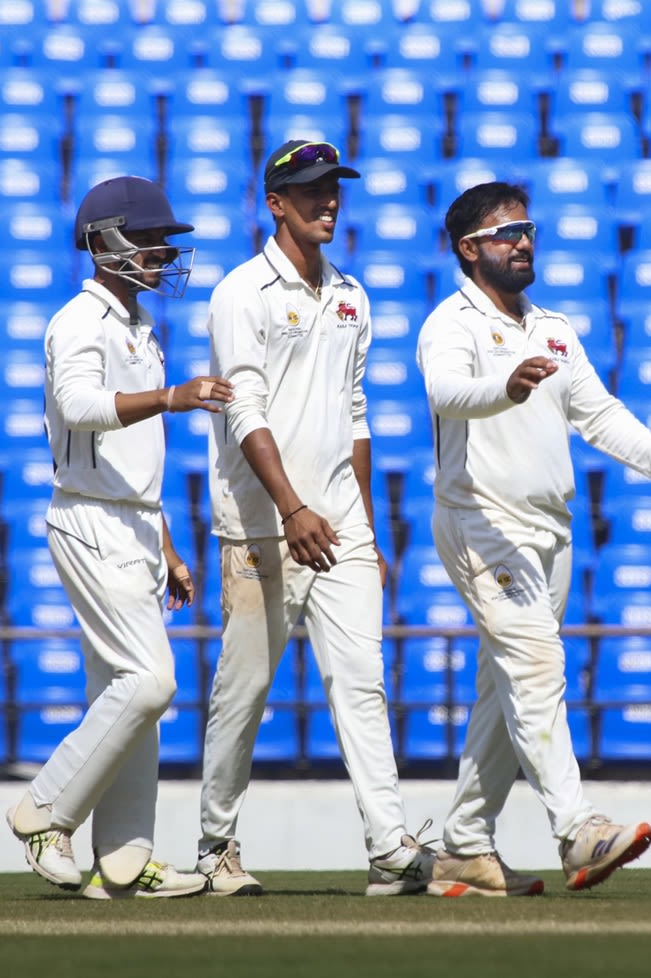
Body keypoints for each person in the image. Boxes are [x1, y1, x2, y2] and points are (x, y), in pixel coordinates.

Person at [417, 181, 651, 897]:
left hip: (551, 531)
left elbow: (599, 412)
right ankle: (577, 828)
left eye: (527, 228)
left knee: (504, 687)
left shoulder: (553, 328)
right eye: (505, 232)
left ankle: (460, 846)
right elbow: (446, 393)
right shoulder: (449, 323)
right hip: (482, 524)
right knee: (538, 665)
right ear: (469, 250)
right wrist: (505, 388)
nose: (522, 241)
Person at [197, 140, 431, 897]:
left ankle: (389, 849)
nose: (327, 200)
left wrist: (366, 525)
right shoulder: (243, 292)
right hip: (262, 525)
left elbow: (355, 417)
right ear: (275, 202)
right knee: (246, 690)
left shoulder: (354, 295)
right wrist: (290, 506)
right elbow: (244, 409)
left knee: (362, 679)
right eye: (310, 190)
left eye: (334, 188)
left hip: (340, 524)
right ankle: (215, 847)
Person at [6, 176, 229, 899]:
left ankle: (126, 863)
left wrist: (165, 544)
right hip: (90, 520)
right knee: (150, 682)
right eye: (151, 238)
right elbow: (77, 406)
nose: (165, 252)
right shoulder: (79, 320)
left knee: (129, 694)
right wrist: (170, 396)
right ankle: (45, 808)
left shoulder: (137, 325)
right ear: (107, 243)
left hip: (133, 520)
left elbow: (138, 457)